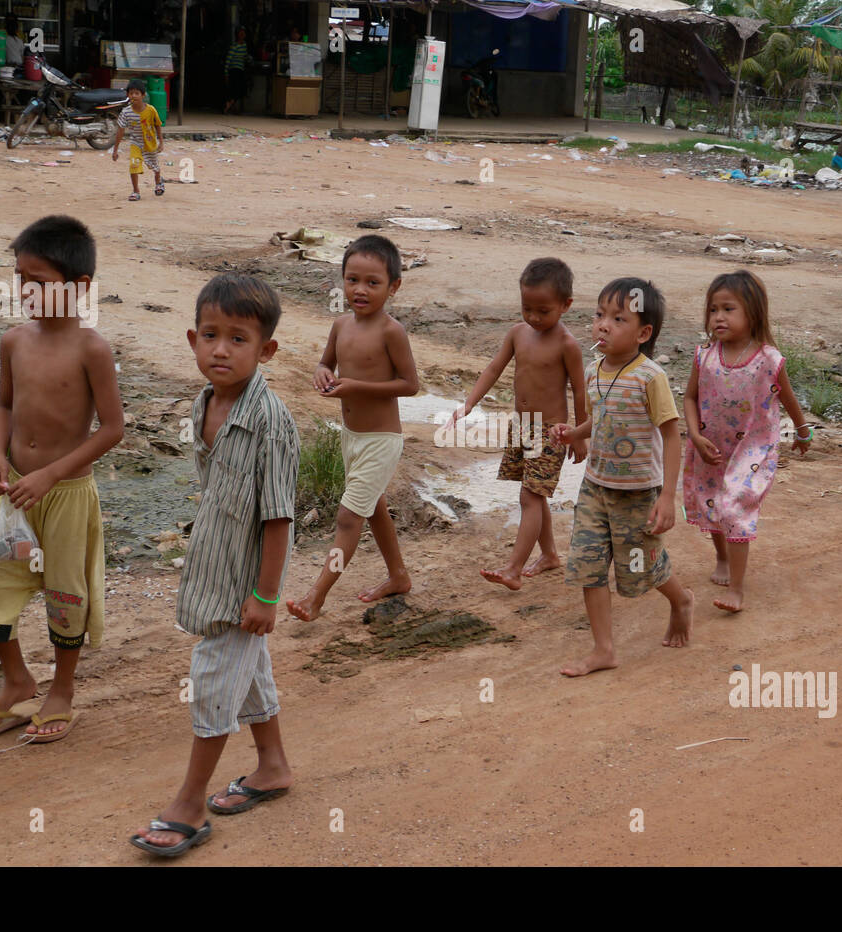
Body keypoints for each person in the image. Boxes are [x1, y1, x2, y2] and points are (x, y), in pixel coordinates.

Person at [131, 274, 299, 857]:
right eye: (210, 335)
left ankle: (189, 802)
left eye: (238, 338)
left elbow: (279, 518)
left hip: (246, 583)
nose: (221, 349)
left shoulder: (271, 422)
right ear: (191, 339)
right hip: (216, 566)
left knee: (210, 682)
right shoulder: (207, 402)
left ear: (266, 349)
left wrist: (267, 596)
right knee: (246, 673)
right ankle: (272, 765)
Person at [0, 215, 123, 743]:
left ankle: (62, 692)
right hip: (13, 493)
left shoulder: (91, 349)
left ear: (80, 288)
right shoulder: (14, 341)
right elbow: (4, 404)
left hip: (66, 494)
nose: (25, 290)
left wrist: (52, 475)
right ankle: (15, 681)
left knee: (64, 595)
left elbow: (113, 429)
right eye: (19, 278)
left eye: (39, 281)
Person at [552, 278, 694, 677]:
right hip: (595, 487)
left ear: (643, 333)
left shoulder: (651, 378)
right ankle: (604, 649)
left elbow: (670, 435)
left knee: (641, 569)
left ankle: (680, 600)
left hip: (638, 494)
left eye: (618, 318)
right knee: (588, 564)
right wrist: (572, 433)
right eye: (599, 315)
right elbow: (597, 420)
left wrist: (667, 497)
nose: (603, 325)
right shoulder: (594, 370)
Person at [286, 235, 419, 622]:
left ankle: (316, 596)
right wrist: (322, 372)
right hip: (352, 437)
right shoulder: (341, 324)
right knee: (374, 508)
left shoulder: (391, 332)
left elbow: (410, 385)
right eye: (352, 280)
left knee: (349, 517)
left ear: (393, 286)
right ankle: (398, 575)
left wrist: (356, 386)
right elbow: (323, 363)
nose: (360, 290)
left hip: (381, 440)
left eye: (373, 283)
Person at [449, 257, 587, 590]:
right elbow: (493, 369)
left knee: (530, 497)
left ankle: (514, 568)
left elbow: (580, 391)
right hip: (522, 427)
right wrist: (470, 402)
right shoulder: (517, 333)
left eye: (544, 310)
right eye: (528, 308)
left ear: (566, 305)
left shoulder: (567, 345)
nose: (534, 317)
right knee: (535, 496)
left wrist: (580, 435)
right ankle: (550, 555)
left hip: (549, 430)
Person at [682, 270, 811, 614]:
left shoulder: (768, 359)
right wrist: (694, 434)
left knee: (734, 505)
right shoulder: (705, 355)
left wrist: (802, 429)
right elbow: (690, 398)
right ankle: (722, 558)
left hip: (753, 447)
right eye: (713, 310)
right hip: (711, 444)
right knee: (712, 503)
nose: (718, 317)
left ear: (752, 313)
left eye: (728, 309)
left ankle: (737, 589)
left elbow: (787, 396)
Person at [111, 78, 163, 201]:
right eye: (131, 93)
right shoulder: (126, 112)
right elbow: (120, 130)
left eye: (137, 93)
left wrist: (161, 142)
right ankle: (136, 191)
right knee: (133, 165)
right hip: (136, 143)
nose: (134, 96)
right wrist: (115, 150)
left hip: (150, 143)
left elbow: (157, 125)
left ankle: (159, 182)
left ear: (143, 95)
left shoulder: (151, 110)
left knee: (154, 166)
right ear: (128, 95)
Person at [224, 27, 252, 114]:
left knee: (240, 89)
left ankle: (231, 105)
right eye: (240, 33)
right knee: (236, 88)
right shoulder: (234, 46)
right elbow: (228, 59)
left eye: (243, 34)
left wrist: (249, 59)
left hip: (240, 69)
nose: (242, 35)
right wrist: (226, 72)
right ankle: (229, 104)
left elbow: (245, 56)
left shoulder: (244, 45)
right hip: (234, 70)